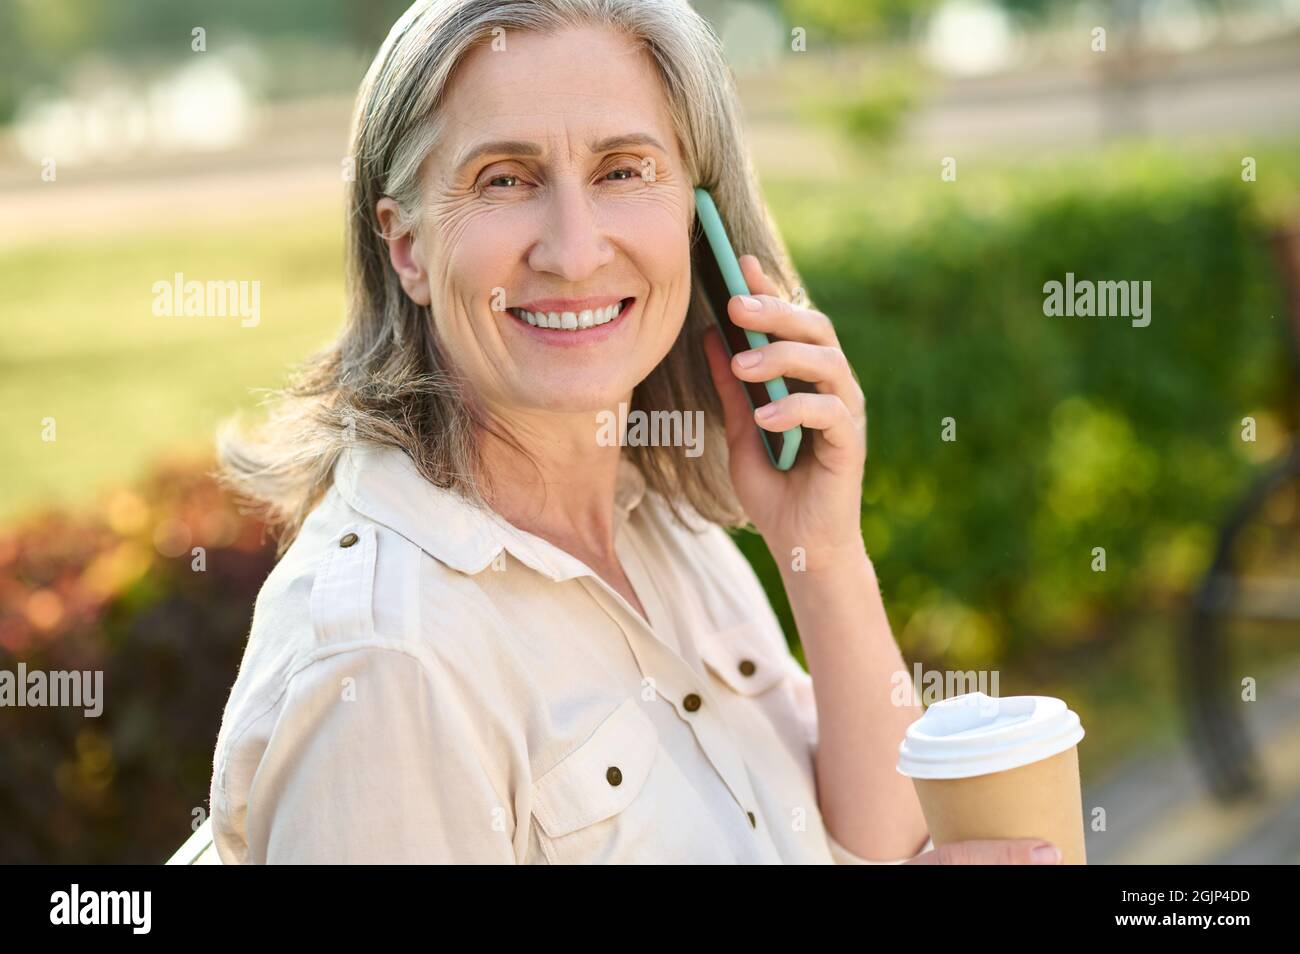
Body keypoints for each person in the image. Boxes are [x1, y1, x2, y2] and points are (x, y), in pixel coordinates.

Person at [207, 0, 1060, 866]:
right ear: (408, 249)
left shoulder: (663, 525)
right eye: (505, 178)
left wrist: (823, 550)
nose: (574, 253)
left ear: (698, 222)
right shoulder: (387, 662)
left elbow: (887, 842)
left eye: (622, 171)